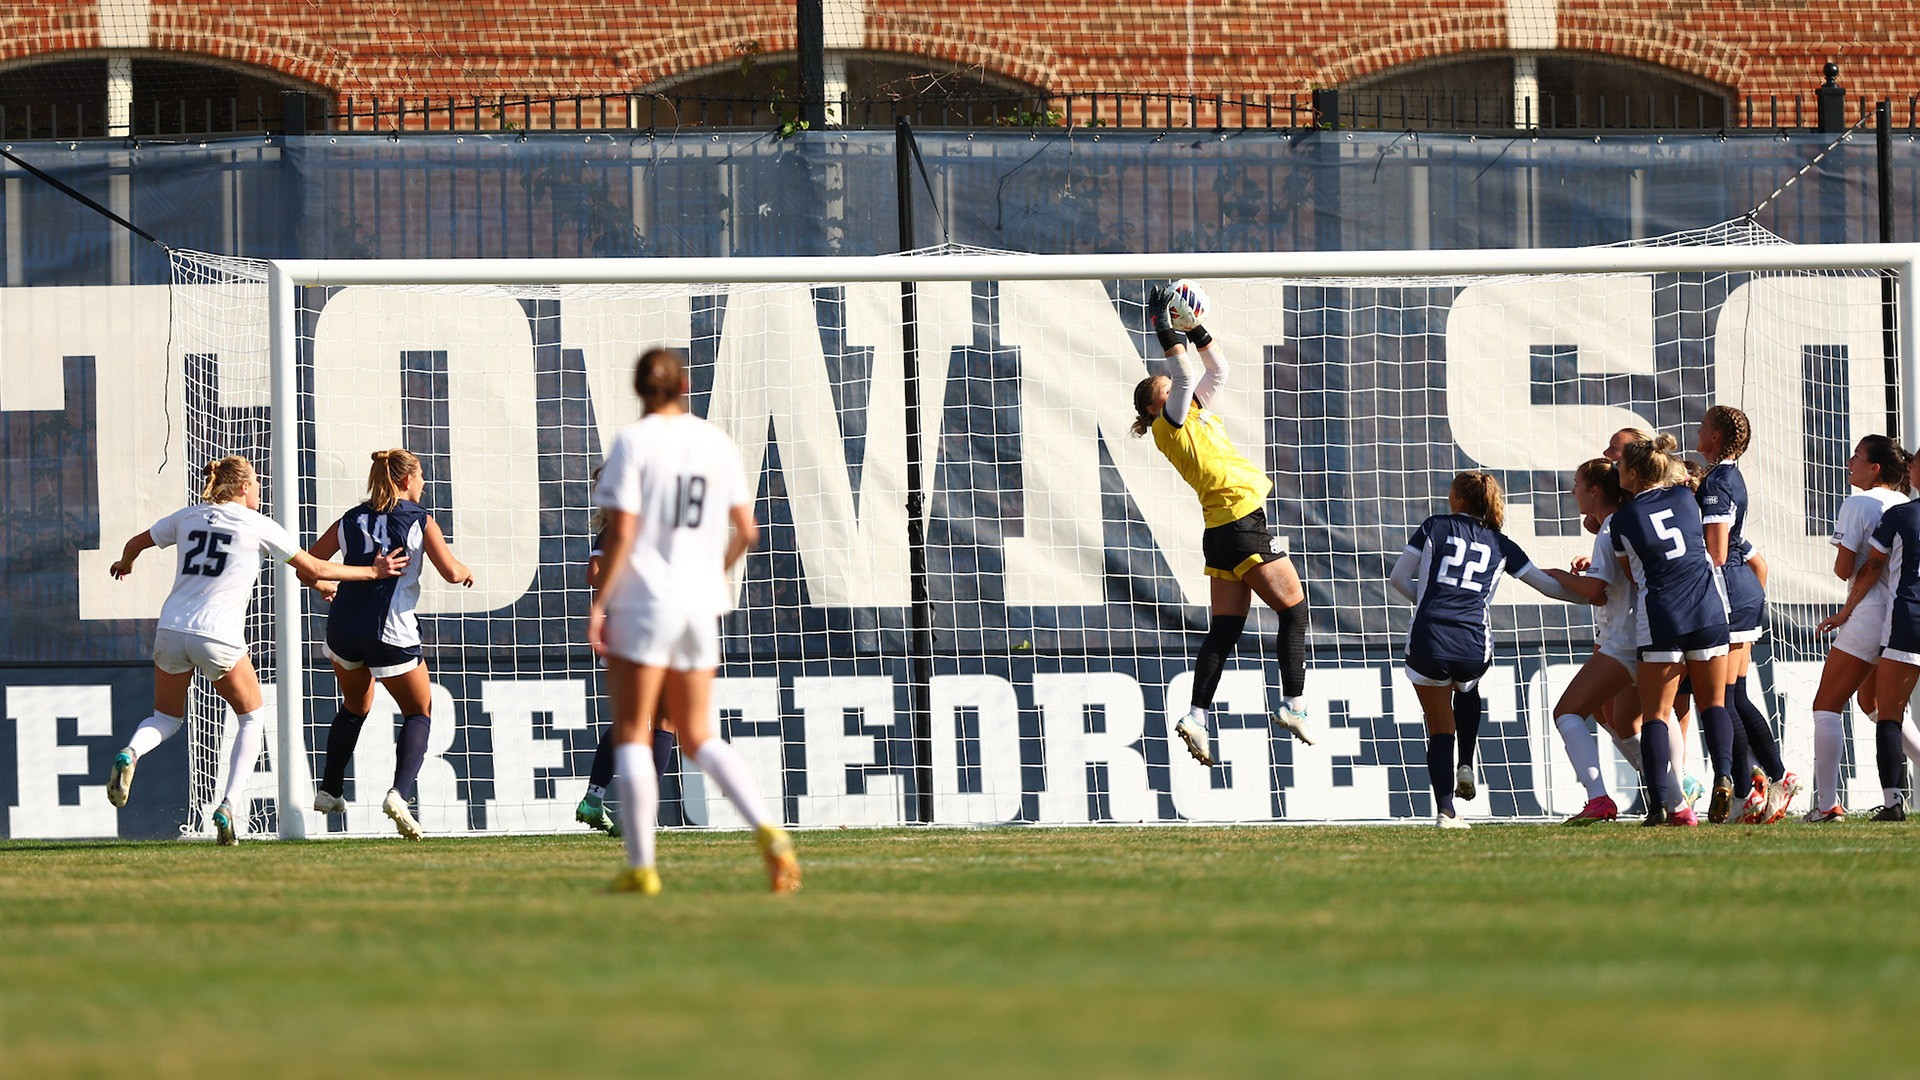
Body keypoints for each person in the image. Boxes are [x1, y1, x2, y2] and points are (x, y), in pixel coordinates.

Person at [105, 455, 407, 844]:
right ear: (245, 487)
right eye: (258, 483)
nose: (261, 489)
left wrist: (125, 562)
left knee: (165, 717)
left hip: (171, 630)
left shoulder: (187, 516)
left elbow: (137, 543)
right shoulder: (258, 524)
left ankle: (130, 752)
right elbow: (313, 567)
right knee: (251, 718)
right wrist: (372, 572)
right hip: (217, 635)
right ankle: (228, 805)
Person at [590, 347, 799, 895]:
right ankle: (769, 832)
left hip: (645, 602)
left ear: (639, 389)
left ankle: (642, 868)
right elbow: (748, 533)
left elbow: (623, 533)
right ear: (684, 385)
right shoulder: (715, 441)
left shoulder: (633, 443)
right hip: (702, 603)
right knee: (698, 733)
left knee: (635, 733)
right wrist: (715, 574)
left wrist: (599, 604)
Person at [1129, 283, 1314, 771]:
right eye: (1165, 389)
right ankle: (1294, 705)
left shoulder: (1195, 411)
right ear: (1155, 409)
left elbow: (1218, 370)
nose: (1173, 387)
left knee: (1225, 630)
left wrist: (1196, 327)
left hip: (1223, 529)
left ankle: (1196, 715)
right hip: (1240, 521)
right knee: (1294, 612)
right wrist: (1164, 324)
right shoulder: (1172, 421)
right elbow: (1186, 372)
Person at [1388, 471, 1585, 828]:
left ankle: (1447, 810)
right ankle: (1467, 760)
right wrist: (1593, 598)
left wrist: (1430, 602)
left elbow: (1398, 578)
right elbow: (1544, 585)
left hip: (1430, 636)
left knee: (1438, 725)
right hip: (1472, 642)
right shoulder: (1501, 543)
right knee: (1467, 685)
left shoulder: (1434, 526)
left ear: (1460, 500)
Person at [304, 449, 473, 840]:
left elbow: (308, 563)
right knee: (419, 710)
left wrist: (324, 583)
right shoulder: (420, 519)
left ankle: (329, 790)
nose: (424, 483)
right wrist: (465, 570)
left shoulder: (350, 518)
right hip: (389, 630)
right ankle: (399, 795)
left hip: (343, 629)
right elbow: (450, 572)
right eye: (421, 476)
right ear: (406, 480)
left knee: (354, 706)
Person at [1612, 433, 1732, 826]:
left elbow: (1631, 573)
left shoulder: (1623, 519)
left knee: (1656, 715)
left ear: (1632, 472)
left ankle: (1659, 803)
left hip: (1663, 616)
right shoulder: (1685, 498)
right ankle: (1725, 776)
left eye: (1620, 466)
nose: (1615, 470)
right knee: (1714, 704)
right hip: (1708, 611)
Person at [1695, 405, 1798, 823]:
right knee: (1734, 697)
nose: (1697, 432)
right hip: (1742, 592)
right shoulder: (1725, 477)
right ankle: (1774, 777)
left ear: (1717, 437)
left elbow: (1717, 553)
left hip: (1728, 594)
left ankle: (1746, 792)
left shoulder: (1718, 482)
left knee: (1722, 701)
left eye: (1703, 427)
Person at [1805, 435, 1910, 821]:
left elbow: (1845, 569)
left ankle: (1827, 803)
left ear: (1874, 467)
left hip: (1867, 611)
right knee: (1878, 708)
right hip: (1900, 613)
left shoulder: (1859, 502)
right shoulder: (1903, 503)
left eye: (1857, 456)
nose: (1849, 461)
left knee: (1826, 705)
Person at [1550, 459, 1652, 824]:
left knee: (1566, 712)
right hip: (1652, 638)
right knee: (1632, 720)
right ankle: (1676, 795)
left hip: (1624, 643)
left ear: (1595, 491)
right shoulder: (1625, 522)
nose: (1573, 490)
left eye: (1577, 483)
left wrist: (1553, 575)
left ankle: (1599, 798)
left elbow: (1594, 592)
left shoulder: (1611, 529)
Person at [575, 483, 680, 837]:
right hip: (650, 626)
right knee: (665, 718)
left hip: (619, 628)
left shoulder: (612, 529)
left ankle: (594, 797)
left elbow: (594, 575)